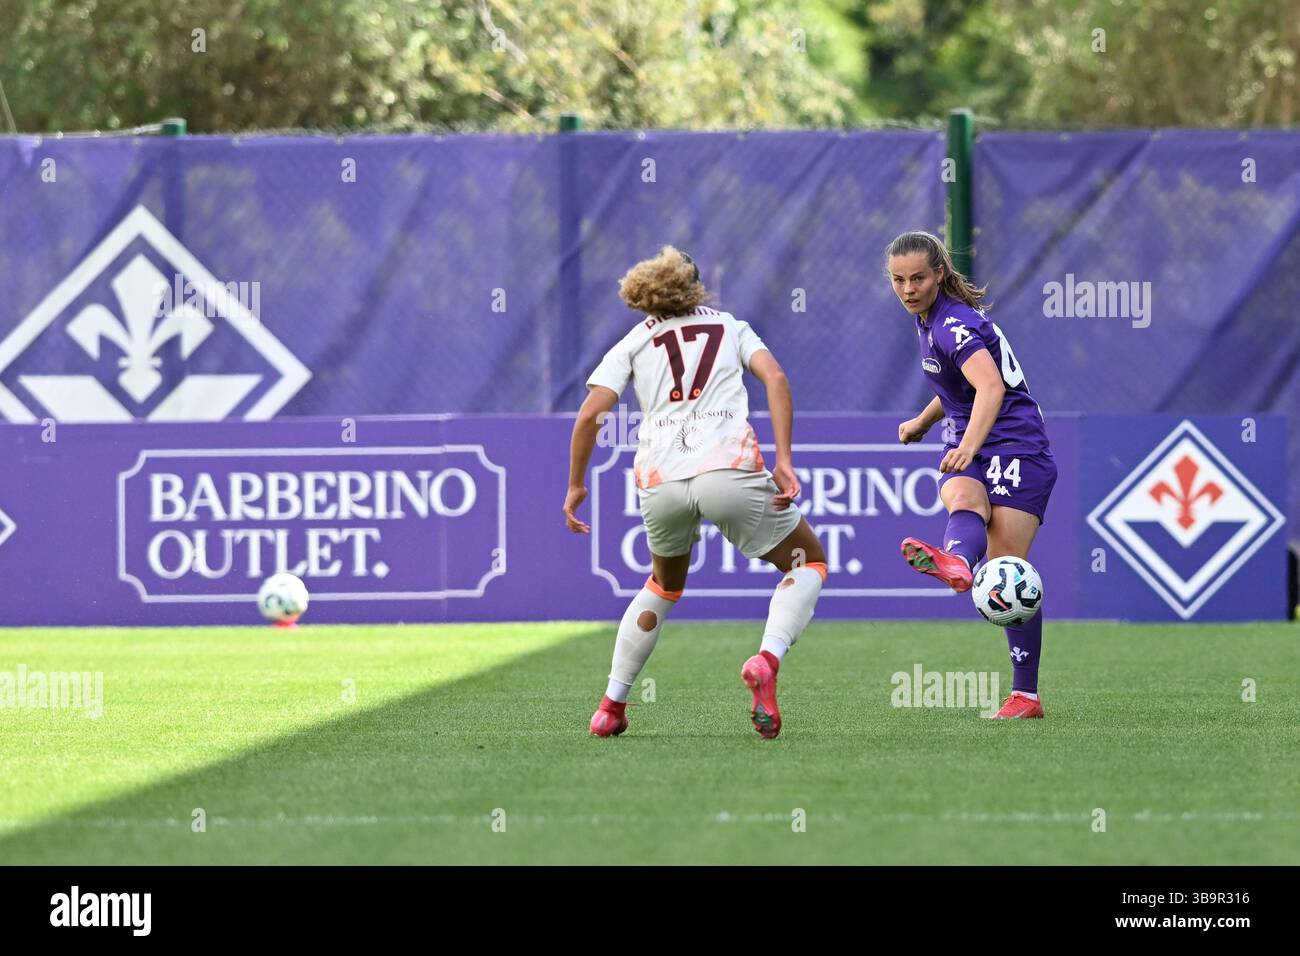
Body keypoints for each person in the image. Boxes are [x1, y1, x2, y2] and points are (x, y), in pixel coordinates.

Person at [564, 246, 826, 739]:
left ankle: (610, 707)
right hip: (726, 468)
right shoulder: (730, 326)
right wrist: (784, 458)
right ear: (697, 285)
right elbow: (776, 377)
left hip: (660, 481)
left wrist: (577, 483)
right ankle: (767, 659)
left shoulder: (634, 341)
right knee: (807, 563)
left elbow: (589, 415)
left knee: (663, 586)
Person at [887, 231, 1056, 719]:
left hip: (1019, 447)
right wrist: (924, 422)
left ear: (939, 273)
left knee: (1008, 576)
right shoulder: (930, 321)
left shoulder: (952, 324)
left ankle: (1026, 694)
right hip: (973, 435)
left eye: (918, 277)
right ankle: (959, 562)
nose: (908, 288)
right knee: (963, 498)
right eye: (899, 280)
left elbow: (990, 386)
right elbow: (959, 386)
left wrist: (967, 445)